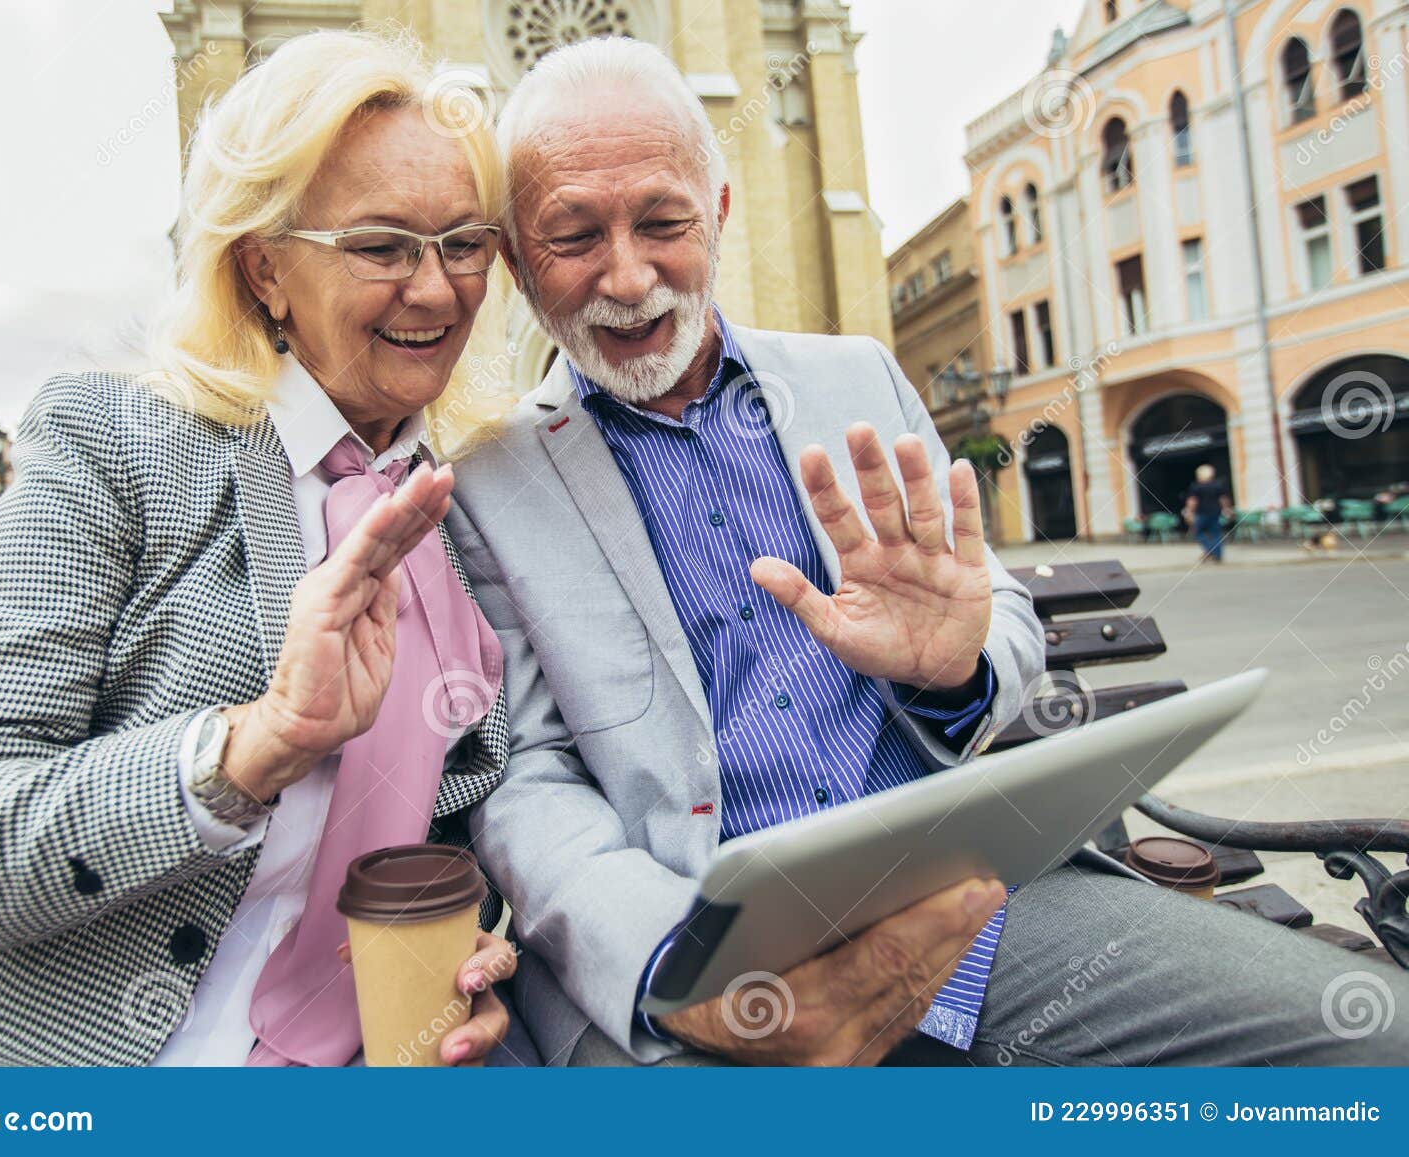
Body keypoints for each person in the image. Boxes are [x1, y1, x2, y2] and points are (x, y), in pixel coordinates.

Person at [448, 37, 1409, 1067]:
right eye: (572, 236)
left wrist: (952, 659)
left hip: (967, 902)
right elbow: (528, 776)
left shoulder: (855, 377)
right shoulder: (489, 479)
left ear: (720, 213)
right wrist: (668, 972)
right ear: (513, 259)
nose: (628, 276)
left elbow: (992, 613)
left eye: (663, 222)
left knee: (1371, 1043)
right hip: (699, 959)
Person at [0, 31, 526, 1067]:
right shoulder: (119, 450)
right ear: (264, 266)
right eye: (381, 247)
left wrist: (455, 978)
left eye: (465, 242)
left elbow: (430, 839)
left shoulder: (455, 503)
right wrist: (251, 747)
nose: (437, 288)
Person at [1183, 464, 1233, 563]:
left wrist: (1188, 512)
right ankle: (1218, 555)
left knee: (1197, 532)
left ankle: (1210, 550)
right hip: (1215, 513)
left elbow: (1193, 501)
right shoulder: (1218, 485)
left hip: (1202, 513)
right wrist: (1227, 509)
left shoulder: (1196, 487)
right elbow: (1223, 499)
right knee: (1216, 534)